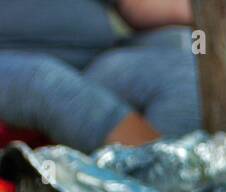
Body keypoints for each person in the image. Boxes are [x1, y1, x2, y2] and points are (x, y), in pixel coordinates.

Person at [0, 0, 200, 152]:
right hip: (14, 67)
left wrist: (210, 8)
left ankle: (168, 180)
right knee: (45, 83)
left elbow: (138, 6)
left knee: (185, 54)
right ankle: (150, 175)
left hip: (95, 62)